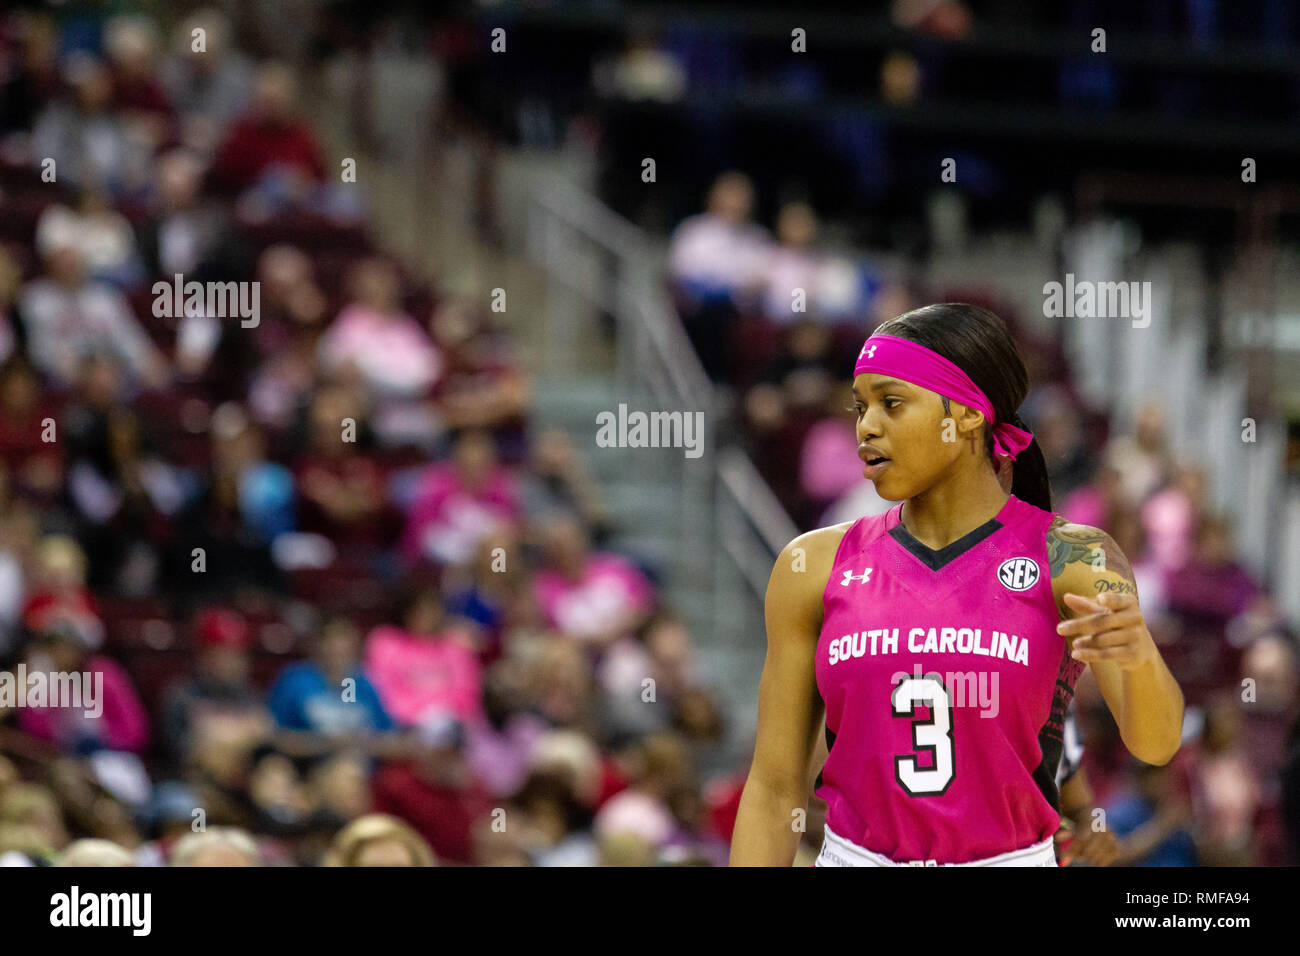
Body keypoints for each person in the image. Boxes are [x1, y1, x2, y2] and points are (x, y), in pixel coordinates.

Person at [730, 303, 1184, 866]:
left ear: (967, 415)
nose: (866, 426)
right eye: (860, 406)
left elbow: (1156, 743)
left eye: (891, 404)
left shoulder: (1074, 557)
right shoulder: (812, 564)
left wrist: (1139, 654)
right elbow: (774, 791)